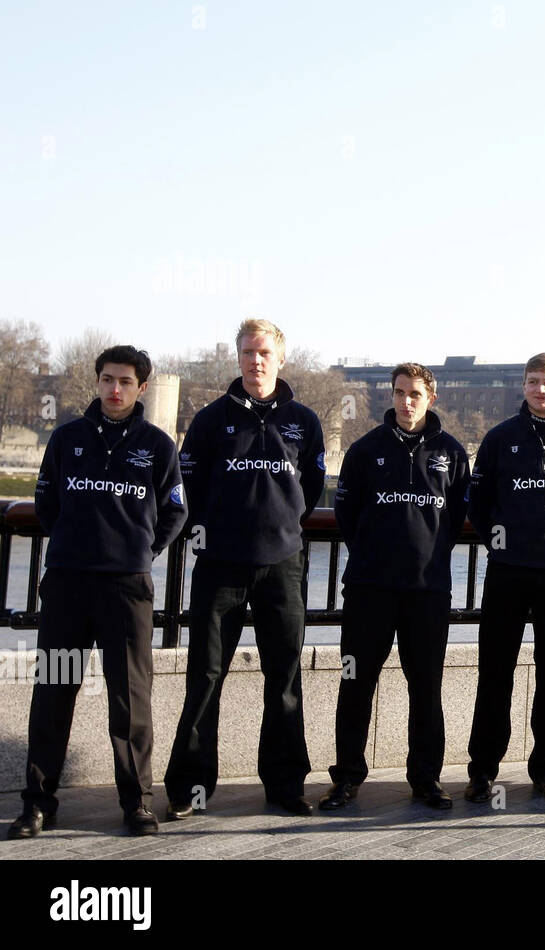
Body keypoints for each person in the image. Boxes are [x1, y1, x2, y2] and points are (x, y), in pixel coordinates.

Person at [7, 346, 187, 840]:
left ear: (141, 388)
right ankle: (38, 804)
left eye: (125, 382)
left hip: (126, 591)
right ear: (97, 381)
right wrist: (73, 543)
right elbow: (46, 500)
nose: (114, 389)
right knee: (52, 696)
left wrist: (136, 551)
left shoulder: (158, 445)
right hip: (67, 586)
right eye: (107, 379)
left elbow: (175, 512)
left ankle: (136, 804)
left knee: (129, 701)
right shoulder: (68, 438)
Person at [164, 319, 325, 818]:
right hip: (220, 566)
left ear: (280, 358)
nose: (256, 361)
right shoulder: (212, 419)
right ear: (238, 358)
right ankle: (191, 787)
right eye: (248, 352)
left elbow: (312, 485)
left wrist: (281, 528)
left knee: (285, 676)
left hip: (282, 565)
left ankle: (284, 785)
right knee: (206, 675)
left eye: (264, 352)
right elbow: (187, 485)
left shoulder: (304, 420)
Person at [318, 363, 470, 812]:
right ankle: (346, 778)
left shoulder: (453, 453)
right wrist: (373, 556)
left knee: (426, 688)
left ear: (431, 398)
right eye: (400, 392)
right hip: (369, 589)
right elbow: (346, 515)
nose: (406, 402)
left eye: (415, 394)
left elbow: (458, 518)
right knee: (355, 683)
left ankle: (425, 779)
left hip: (427, 592)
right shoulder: (365, 450)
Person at [463, 353, 545, 803]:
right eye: (533, 381)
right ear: (523, 385)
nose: (541, 390)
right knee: (494, 674)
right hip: (507, 572)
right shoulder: (500, 438)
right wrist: (498, 541)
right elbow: (477, 502)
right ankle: (482, 770)